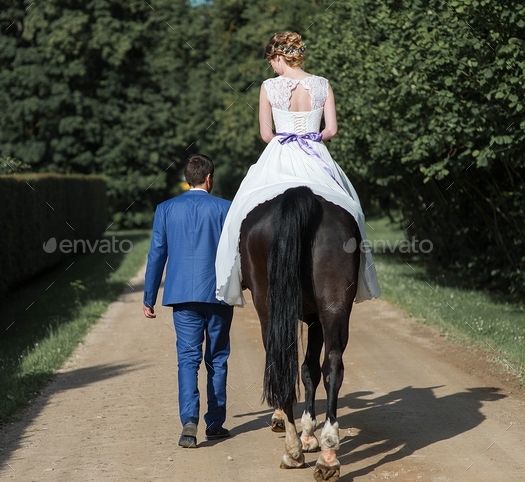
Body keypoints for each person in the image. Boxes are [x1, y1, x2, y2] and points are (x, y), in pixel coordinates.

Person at [215, 30, 380, 306]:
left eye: (271, 61)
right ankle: (359, 268)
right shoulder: (322, 84)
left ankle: (242, 273)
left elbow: (266, 135)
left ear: (278, 56)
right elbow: (332, 129)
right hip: (316, 154)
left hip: (280, 152)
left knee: (240, 210)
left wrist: (287, 136)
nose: (272, 67)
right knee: (354, 209)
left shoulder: (269, 87)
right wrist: (313, 137)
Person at [143, 154, 233, 449]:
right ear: (208, 178)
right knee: (217, 358)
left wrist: (149, 297)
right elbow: (236, 252)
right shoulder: (225, 208)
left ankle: (189, 423)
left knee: (187, 359)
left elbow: (157, 253)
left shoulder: (166, 209)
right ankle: (215, 424)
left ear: (187, 178)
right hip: (218, 294)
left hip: (181, 295)